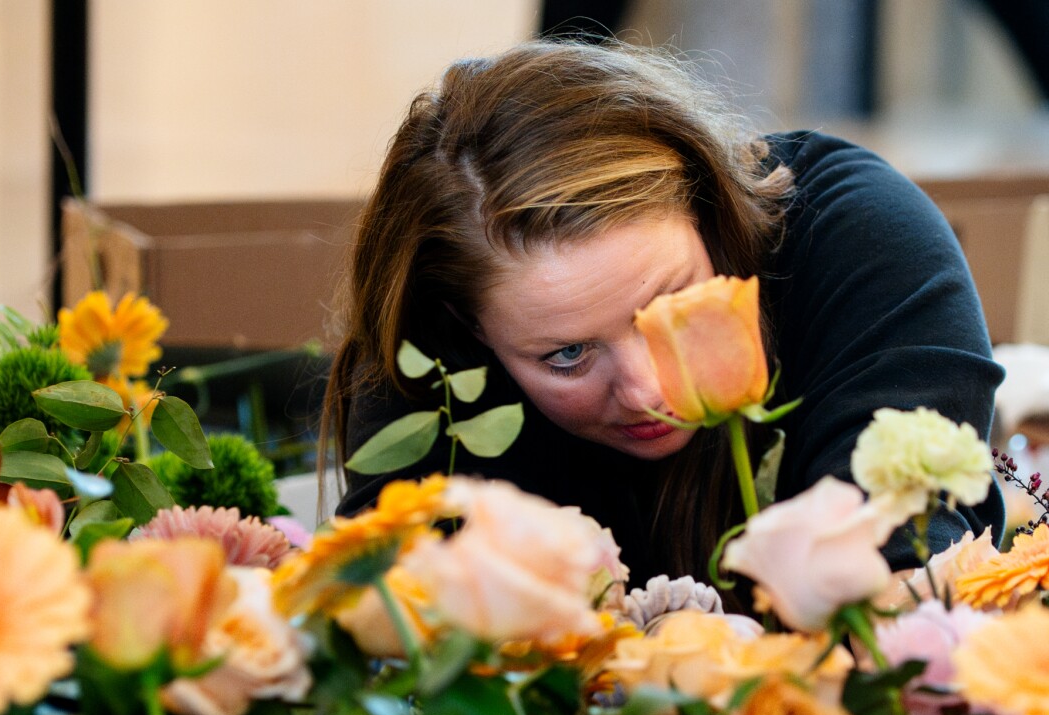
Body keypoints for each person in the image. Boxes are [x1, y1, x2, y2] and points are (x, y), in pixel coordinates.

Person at [326, 40, 1003, 589]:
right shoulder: (425, 366)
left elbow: (904, 593)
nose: (649, 391)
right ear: (467, 329)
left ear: (709, 211)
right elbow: (398, 629)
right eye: (568, 355)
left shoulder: (855, 234)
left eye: (670, 308)